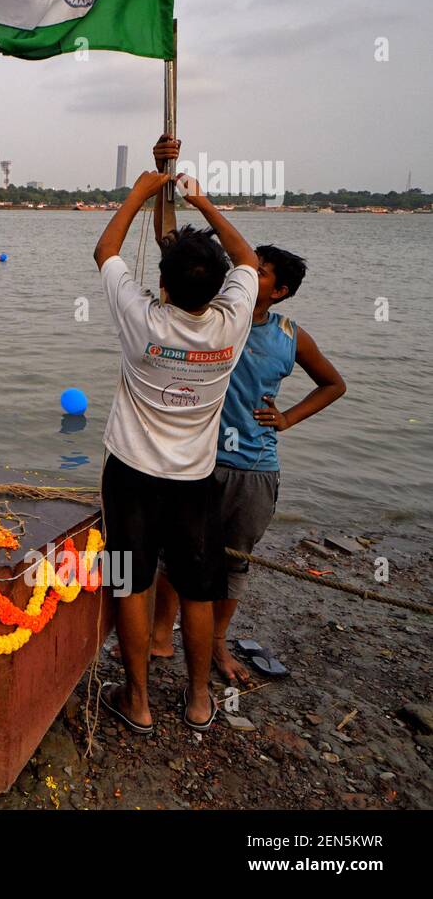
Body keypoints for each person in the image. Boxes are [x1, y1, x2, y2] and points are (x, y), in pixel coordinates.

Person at [92, 151, 259, 734]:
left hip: (132, 476)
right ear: (218, 288)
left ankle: (136, 702)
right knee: (198, 588)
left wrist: (139, 191)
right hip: (194, 482)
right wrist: (199, 198)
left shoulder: (144, 319)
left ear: (160, 283)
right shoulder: (232, 319)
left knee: (129, 583)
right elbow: (247, 259)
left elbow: (105, 253)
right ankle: (197, 701)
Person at [150, 242, 346, 683]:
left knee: (234, 562)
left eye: (259, 272)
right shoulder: (214, 317)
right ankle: (161, 635)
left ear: (280, 291)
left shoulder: (289, 335)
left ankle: (217, 645)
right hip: (197, 460)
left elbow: (333, 384)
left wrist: (288, 418)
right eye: (247, 266)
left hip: (255, 468)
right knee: (175, 555)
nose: (246, 273)